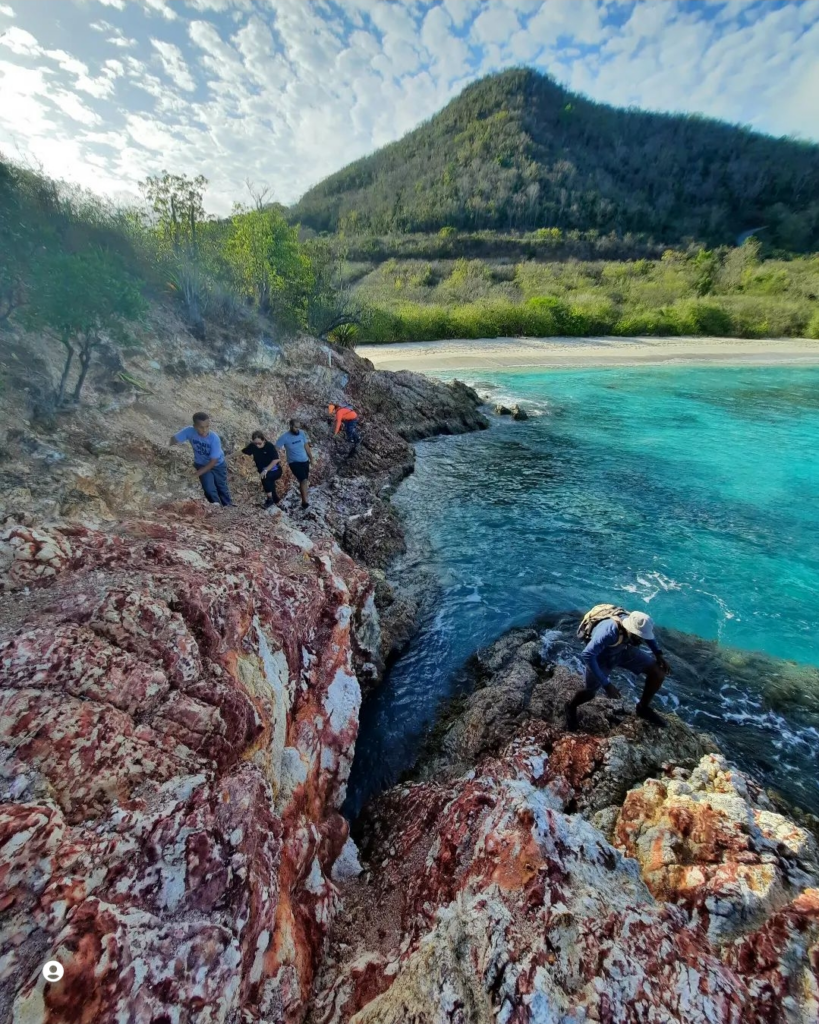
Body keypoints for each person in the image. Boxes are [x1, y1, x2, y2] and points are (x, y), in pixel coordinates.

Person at [566, 607, 670, 730]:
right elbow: (588, 654)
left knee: (658, 673)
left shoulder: (637, 626)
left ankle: (642, 708)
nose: (641, 640)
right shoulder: (609, 632)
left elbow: (648, 637)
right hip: (602, 658)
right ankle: (570, 706)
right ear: (631, 629)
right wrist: (606, 684)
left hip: (622, 650)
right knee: (589, 692)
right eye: (639, 637)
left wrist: (658, 654)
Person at [170, 411, 233, 506]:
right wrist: (168, 448)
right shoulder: (189, 431)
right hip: (202, 464)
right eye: (201, 427)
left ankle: (228, 506)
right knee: (208, 488)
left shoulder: (214, 438)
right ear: (195, 426)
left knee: (221, 487)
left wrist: (196, 474)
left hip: (218, 465)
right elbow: (173, 439)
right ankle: (216, 507)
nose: (205, 430)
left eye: (207, 426)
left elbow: (213, 462)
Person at [275, 419, 314, 509]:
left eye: (298, 427)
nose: (297, 429)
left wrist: (311, 458)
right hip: (294, 463)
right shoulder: (284, 437)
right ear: (291, 426)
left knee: (304, 481)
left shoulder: (302, 433)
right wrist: (275, 460)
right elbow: (275, 449)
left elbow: (306, 446)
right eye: (296, 427)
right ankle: (305, 502)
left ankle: (303, 499)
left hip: (304, 461)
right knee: (303, 480)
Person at [241, 431, 282, 509]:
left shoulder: (269, 446)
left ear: (263, 440)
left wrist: (266, 470)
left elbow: (276, 460)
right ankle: (277, 503)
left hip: (275, 470)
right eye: (255, 443)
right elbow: (242, 451)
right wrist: (228, 456)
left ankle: (269, 500)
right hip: (264, 471)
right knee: (271, 487)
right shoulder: (253, 446)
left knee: (265, 477)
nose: (257, 445)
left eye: (259, 443)